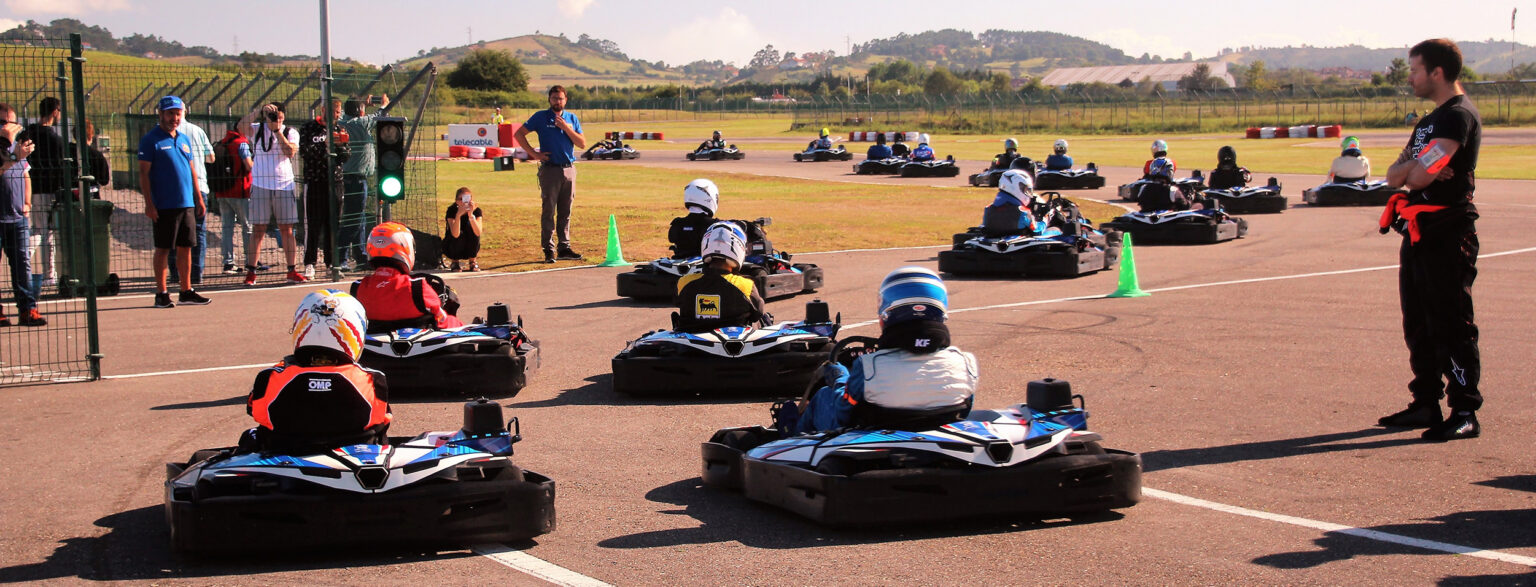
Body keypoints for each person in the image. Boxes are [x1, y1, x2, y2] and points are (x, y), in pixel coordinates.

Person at [1377, 39, 1483, 442]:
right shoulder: (1428, 122)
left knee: (1451, 320)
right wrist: (1415, 168)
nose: (1410, 77)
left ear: (1437, 72)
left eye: (1415, 70)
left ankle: (1464, 408)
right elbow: (1393, 175)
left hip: (1448, 234)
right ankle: (1425, 401)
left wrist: (1416, 169)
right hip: (1417, 234)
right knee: (1418, 320)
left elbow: (1417, 177)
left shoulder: (1458, 117)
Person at [776, 267, 978, 435]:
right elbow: (964, 411)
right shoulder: (966, 363)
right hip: (940, 438)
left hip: (876, 436)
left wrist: (840, 378)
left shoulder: (870, 367)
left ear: (888, 315)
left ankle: (790, 440)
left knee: (824, 396)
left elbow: (843, 412)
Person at [241, 288, 390, 453]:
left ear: (300, 325)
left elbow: (253, 409)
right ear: (355, 330)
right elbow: (381, 417)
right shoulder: (372, 380)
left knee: (250, 437)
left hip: (286, 456)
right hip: (352, 459)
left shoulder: (269, 377)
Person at [136, 96, 211, 309]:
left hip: (186, 202)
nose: (174, 118)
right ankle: (161, 293)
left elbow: (192, 170)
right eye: (170, 113)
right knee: (163, 248)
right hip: (164, 205)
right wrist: (149, 204)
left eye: (177, 113)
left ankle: (186, 290)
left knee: (185, 247)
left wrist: (198, 198)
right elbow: (143, 173)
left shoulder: (184, 139)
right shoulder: (151, 140)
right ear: (160, 114)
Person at [515, 85, 587, 264]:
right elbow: (519, 134)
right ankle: (549, 249)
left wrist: (567, 128)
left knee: (566, 210)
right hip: (550, 169)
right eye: (554, 98)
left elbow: (582, 144)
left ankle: (564, 247)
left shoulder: (572, 118)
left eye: (561, 98)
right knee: (549, 210)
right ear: (549, 99)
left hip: (569, 169)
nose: (558, 101)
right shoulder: (541, 117)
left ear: (566, 100)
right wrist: (535, 154)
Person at [240, 101, 306, 286]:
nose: (275, 119)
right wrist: (258, 112)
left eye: (279, 116)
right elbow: (240, 127)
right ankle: (251, 272)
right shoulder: (258, 129)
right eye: (272, 116)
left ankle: (292, 269)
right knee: (258, 229)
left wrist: (277, 130)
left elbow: (290, 152)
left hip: (284, 185)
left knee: (287, 229)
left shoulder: (290, 132)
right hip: (261, 185)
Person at [351, 222, 462, 330]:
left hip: (372, 347)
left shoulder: (358, 289)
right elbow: (443, 322)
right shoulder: (417, 288)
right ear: (405, 247)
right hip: (417, 347)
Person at [673, 221, 766, 333]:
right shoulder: (745, 285)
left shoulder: (684, 282)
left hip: (691, 343)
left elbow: (678, 303)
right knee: (763, 319)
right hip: (734, 346)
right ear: (738, 248)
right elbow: (758, 313)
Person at [1, 103, 45, 326]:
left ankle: (28, 309)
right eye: (4, 123)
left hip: (17, 216)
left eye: (12, 123)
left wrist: (27, 203)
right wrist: (12, 155)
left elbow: (26, 174)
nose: (9, 127)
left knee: (22, 264)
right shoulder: (7, 149)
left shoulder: (19, 148)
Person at [299, 99, 350, 279]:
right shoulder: (308, 128)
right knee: (313, 224)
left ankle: (331, 263)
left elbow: (345, 155)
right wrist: (325, 146)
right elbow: (306, 151)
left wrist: (338, 148)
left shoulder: (339, 130)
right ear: (324, 110)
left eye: (338, 112)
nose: (337, 115)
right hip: (315, 182)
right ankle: (310, 263)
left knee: (333, 225)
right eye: (334, 111)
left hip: (335, 182)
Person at [339, 94, 389, 268]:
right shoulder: (360, 123)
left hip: (347, 177)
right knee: (353, 220)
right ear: (360, 111)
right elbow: (379, 116)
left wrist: (362, 105)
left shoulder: (342, 121)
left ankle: (359, 256)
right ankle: (341, 259)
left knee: (356, 219)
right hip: (356, 179)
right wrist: (383, 105)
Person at [167, 111, 217, 287]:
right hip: (200, 187)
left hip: (175, 188)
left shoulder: (166, 134)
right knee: (198, 231)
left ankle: (175, 273)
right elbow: (211, 158)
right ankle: (196, 273)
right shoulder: (197, 130)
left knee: (174, 231)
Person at [22, 97, 64, 290]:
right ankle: (31, 264)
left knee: (43, 230)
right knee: (43, 231)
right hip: (47, 189)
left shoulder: (28, 133)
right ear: (55, 111)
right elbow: (60, 166)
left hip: (27, 186)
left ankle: (49, 272)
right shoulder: (54, 138)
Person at [212, 127, 253, 274]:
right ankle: (251, 260)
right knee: (247, 227)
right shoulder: (242, 144)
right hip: (240, 191)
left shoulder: (223, 142)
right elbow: (249, 166)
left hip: (222, 192)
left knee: (226, 228)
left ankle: (228, 263)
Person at [668, 178, 718, 259]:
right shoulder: (714, 225)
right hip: (706, 266)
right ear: (710, 197)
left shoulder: (677, 223)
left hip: (678, 264)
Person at [981, 169, 1039, 235]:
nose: (1027, 193)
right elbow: (1037, 230)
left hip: (991, 242)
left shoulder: (988, 209)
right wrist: (1045, 217)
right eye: (1026, 189)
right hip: (1017, 244)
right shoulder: (1023, 212)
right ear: (1016, 187)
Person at [443, 187, 483, 271]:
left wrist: (471, 215)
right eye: (461, 199)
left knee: (471, 227)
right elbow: (455, 234)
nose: (464, 202)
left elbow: (478, 232)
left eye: (467, 199)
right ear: (456, 201)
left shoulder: (476, 210)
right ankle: (455, 262)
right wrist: (458, 215)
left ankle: (472, 261)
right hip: (453, 246)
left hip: (469, 246)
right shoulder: (452, 210)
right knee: (459, 233)